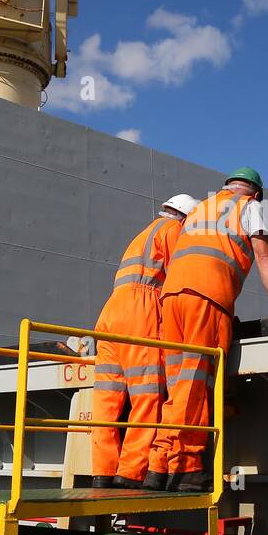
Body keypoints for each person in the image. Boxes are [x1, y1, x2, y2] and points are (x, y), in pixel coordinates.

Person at [147, 168, 268, 492]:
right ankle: (187, 470)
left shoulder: (200, 208)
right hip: (207, 297)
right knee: (195, 382)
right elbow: (264, 255)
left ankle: (158, 467)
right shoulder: (249, 206)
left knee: (175, 384)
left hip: (172, 298)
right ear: (256, 193)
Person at [89, 194, 199, 489]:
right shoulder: (173, 232)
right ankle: (131, 473)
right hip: (142, 311)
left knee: (108, 399)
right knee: (147, 395)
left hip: (111, 313)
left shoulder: (141, 234)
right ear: (186, 217)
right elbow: (181, 276)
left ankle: (102, 472)